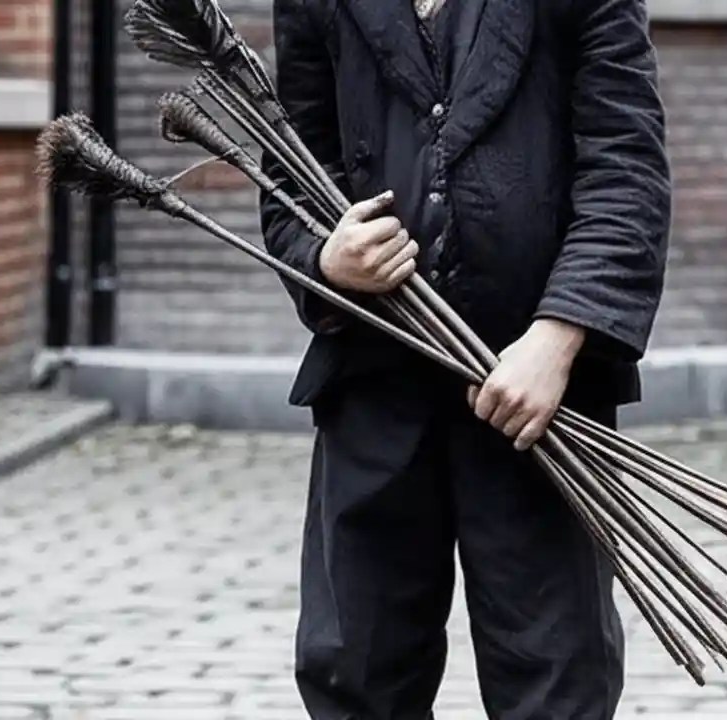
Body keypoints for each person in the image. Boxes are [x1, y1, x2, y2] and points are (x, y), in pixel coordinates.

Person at [260, 0, 671, 717]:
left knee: (556, 682)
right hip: (375, 379)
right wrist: (326, 259)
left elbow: (626, 168)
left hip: (540, 403)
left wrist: (561, 333)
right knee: (356, 673)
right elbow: (293, 175)